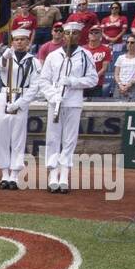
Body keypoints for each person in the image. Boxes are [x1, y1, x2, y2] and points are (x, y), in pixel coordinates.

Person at [38, 25, 99, 192]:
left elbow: (93, 79)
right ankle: (53, 172)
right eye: (67, 33)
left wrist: (73, 82)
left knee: (69, 139)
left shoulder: (85, 55)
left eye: (75, 33)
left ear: (80, 35)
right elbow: (43, 80)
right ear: (63, 35)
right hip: (55, 102)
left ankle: (64, 172)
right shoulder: (53, 56)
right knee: (52, 137)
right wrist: (53, 95)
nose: (70, 36)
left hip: (73, 101)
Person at [0, 30, 40, 190]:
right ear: (12, 41)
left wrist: (21, 103)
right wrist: (5, 56)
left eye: (23, 39)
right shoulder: (7, 57)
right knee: (2, 137)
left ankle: (14, 174)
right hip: (4, 97)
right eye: (16, 39)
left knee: (18, 139)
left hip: (21, 99)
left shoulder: (34, 62)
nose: (19, 42)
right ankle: (4, 174)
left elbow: (35, 86)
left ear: (28, 41)